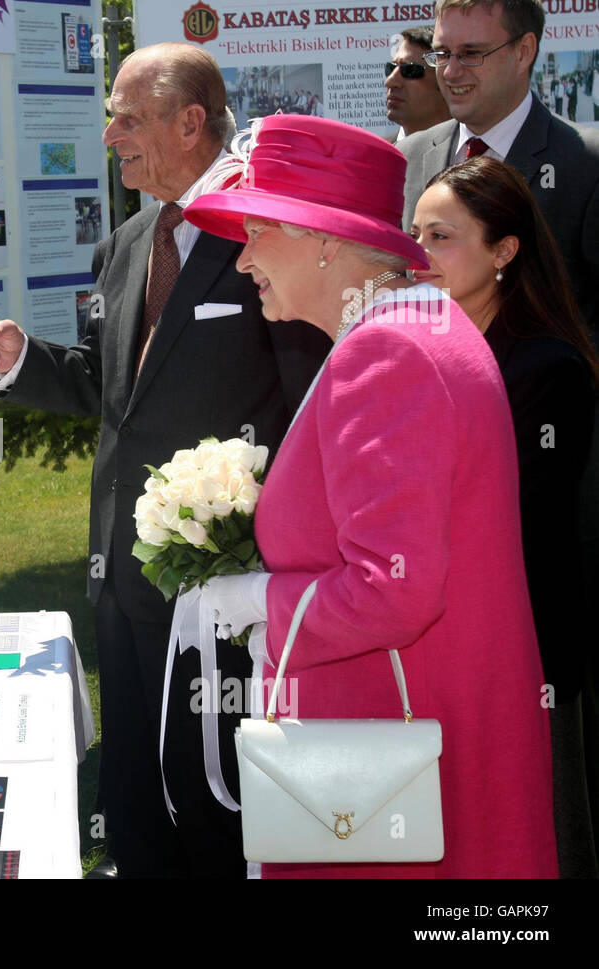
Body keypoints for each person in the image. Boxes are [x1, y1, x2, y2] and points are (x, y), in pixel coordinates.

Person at [0, 43, 330, 878]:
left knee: (216, 793)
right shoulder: (127, 242)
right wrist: (21, 360)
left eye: (126, 115)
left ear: (190, 121)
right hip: (119, 569)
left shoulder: (265, 230)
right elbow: (108, 385)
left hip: (222, 587)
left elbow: (310, 409)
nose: (110, 132)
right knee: (132, 787)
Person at [187, 114, 556, 877]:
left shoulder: (387, 349)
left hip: (397, 755)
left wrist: (261, 602)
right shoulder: (418, 323)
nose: (244, 255)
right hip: (432, 729)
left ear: (325, 239)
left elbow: (396, 588)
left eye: (260, 230)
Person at [412, 155, 599, 876]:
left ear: (504, 251)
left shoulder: (547, 367)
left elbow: (515, 526)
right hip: (444, 651)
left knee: (534, 847)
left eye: (442, 236)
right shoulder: (425, 345)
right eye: (415, 232)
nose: (418, 252)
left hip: (523, 661)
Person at [397, 0, 599, 336]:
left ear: (523, 52)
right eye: (443, 53)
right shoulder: (407, 158)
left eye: (471, 53)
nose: (450, 72)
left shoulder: (586, 163)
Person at [384, 27, 452, 143]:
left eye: (409, 70)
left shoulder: (473, 153)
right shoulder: (373, 156)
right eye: (391, 67)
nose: (389, 81)